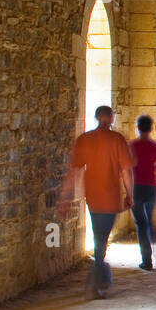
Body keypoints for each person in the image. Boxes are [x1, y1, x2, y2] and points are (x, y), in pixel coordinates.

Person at [60, 105, 134, 298]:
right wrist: (130, 194)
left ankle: (101, 276)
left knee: (99, 238)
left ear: (96, 117)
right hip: (110, 197)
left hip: (92, 197)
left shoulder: (84, 139)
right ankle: (95, 283)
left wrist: (65, 197)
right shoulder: (117, 140)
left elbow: (73, 171)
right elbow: (126, 170)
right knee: (101, 240)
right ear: (111, 119)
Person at [129, 114, 156, 270]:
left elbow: (127, 166)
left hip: (137, 188)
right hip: (152, 187)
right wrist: (155, 166)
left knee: (141, 224)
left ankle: (146, 260)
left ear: (137, 128)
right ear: (151, 128)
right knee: (150, 221)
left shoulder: (131, 145)